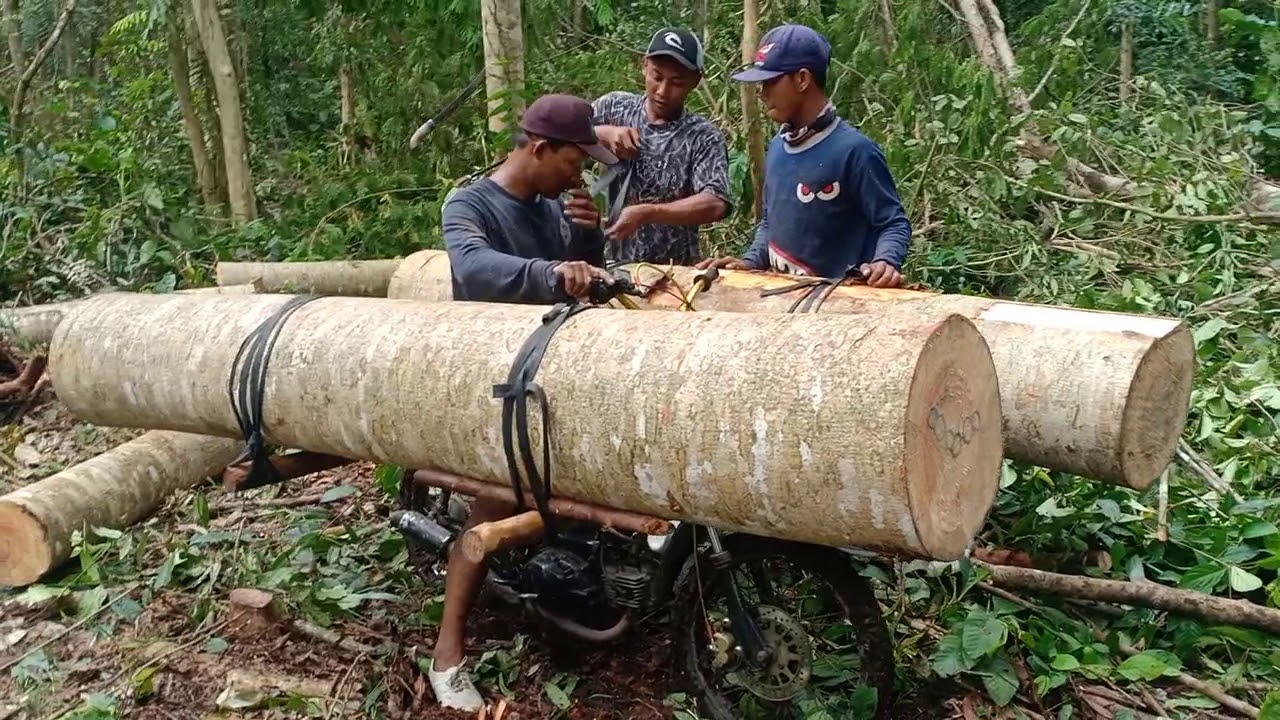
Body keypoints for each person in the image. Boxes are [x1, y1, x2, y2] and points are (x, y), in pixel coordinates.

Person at [429, 92, 617, 711]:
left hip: (548, 369)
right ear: (538, 148)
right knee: (495, 502)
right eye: (573, 161)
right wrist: (551, 271)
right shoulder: (469, 204)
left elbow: (579, 280)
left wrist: (587, 240)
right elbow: (476, 268)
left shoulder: (553, 208)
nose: (578, 175)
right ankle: (447, 655)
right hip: (493, 376)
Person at [697, 24, 912, 288]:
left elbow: (892, 222)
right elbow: (770, 222)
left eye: (770, 82)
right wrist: (750, 262)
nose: (762, 94)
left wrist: (886, 261)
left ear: (802, 79)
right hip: (783, 300)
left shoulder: (855, 151)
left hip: (840, 303)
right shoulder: (778, 147)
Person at [590, 26, 733, 266]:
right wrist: (602, 133)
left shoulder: (702, 136)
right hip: (613, 266)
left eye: (677, 82)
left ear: (695, 80)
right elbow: (555, 133)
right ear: (644, 65)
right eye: (657, 77)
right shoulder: (614, 108)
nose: (663, 91)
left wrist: (648, 213)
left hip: (675, 273)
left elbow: (715, 203)